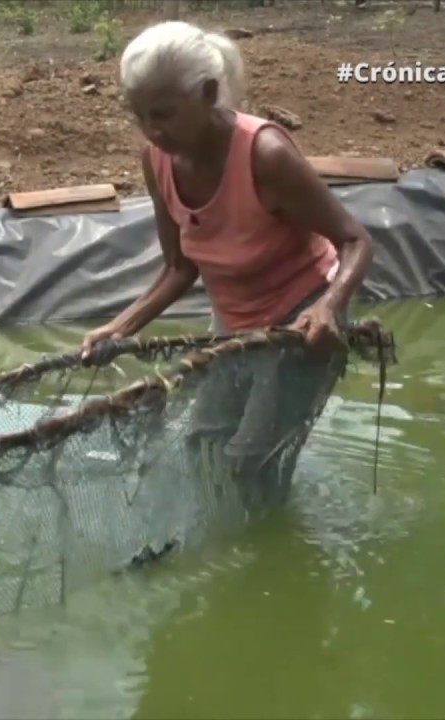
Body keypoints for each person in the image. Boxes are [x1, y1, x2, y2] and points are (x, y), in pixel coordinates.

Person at [81, 21, 375, 513]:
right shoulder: (156, 159)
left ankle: (270, 555)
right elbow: (179, 268)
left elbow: (356, 240)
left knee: (249, 460)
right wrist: (119, 327)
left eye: (164, 115)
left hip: (301, 321)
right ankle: (227, 539)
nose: (153, 130)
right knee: (202, 444)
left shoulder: (266, 155)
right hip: (234, 322)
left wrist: (329, 306)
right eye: (140, 117)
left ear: (208, 94)